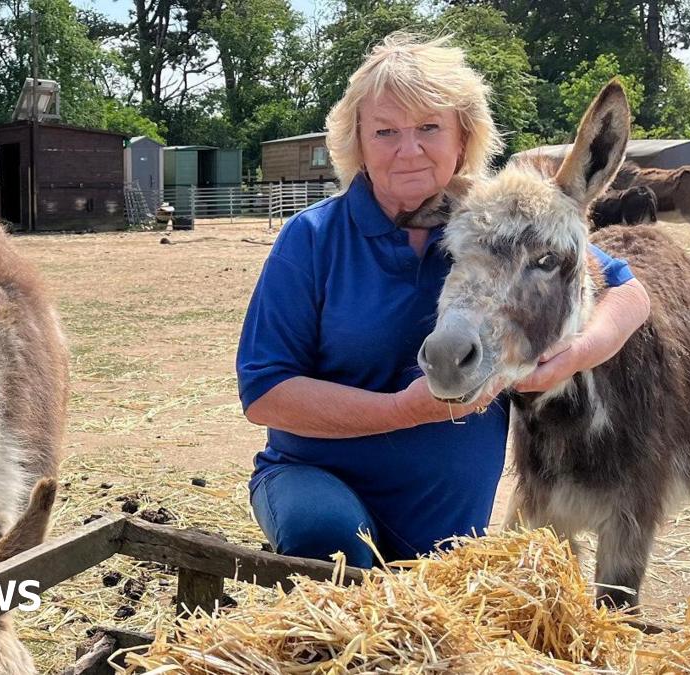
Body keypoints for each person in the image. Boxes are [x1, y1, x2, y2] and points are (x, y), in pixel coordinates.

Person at [235, 34, 651, 568]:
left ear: (463, 138)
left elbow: (628, 292)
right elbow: (265, 391)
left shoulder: (493, 219)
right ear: (357, 142)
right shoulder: (311, 239)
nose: (408, 150)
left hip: (447, 526)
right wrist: (401, 411)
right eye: (385, 131)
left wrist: (572, 357)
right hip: (318, 484)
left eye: (429, 127)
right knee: (334, 543)